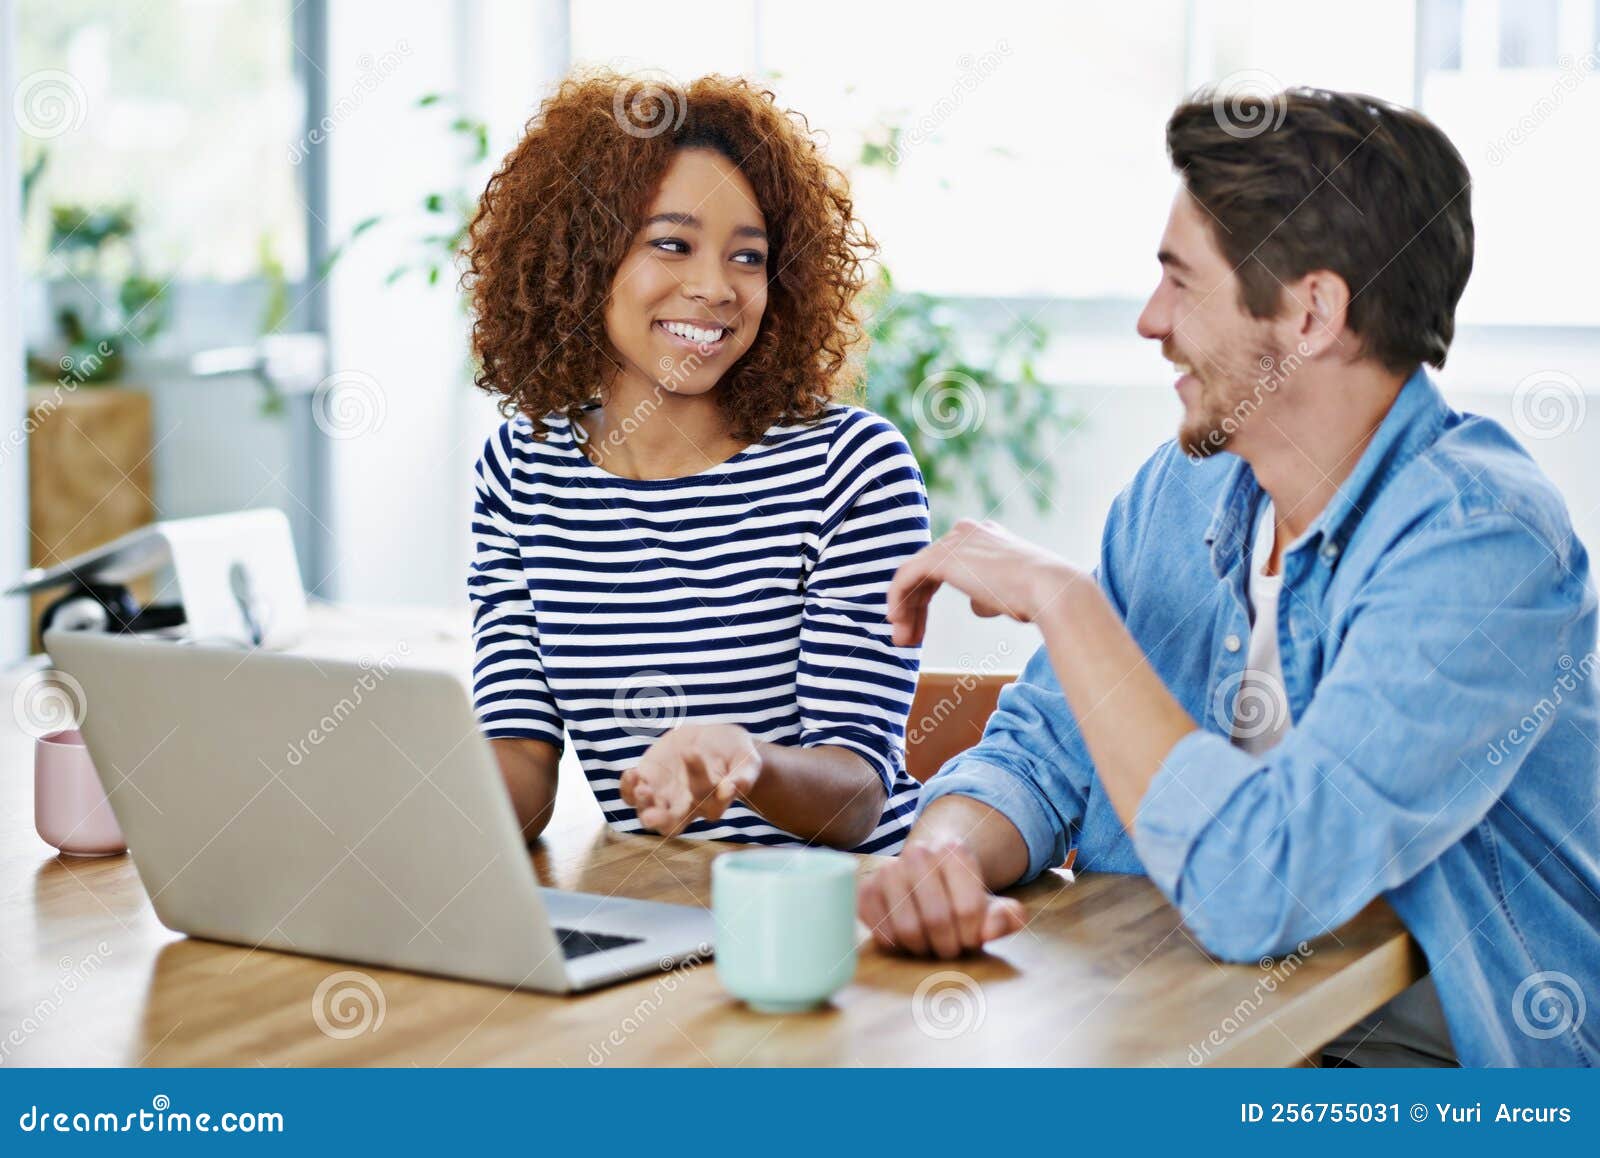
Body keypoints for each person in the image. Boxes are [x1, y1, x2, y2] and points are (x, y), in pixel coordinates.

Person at [860, 87, 1600, 1067]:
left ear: (1310, 312)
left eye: (1181, 282)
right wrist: (942, 856)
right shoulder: (1180, 492)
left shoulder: (1482, 548)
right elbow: (1041, 756)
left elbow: (1258, 887)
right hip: (1184, 1037)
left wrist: (1063, 600)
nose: (1149, 320)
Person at [464, 71, 928, 853]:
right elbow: (522, 767)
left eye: (747, 257)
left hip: (850, 902)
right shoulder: (523, 469)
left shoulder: (849, 467)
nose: (715, 288)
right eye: (672, 244)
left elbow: (854, 799)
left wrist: (746, 761)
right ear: (583, 259)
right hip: (662, 906)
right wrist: (396, 801)